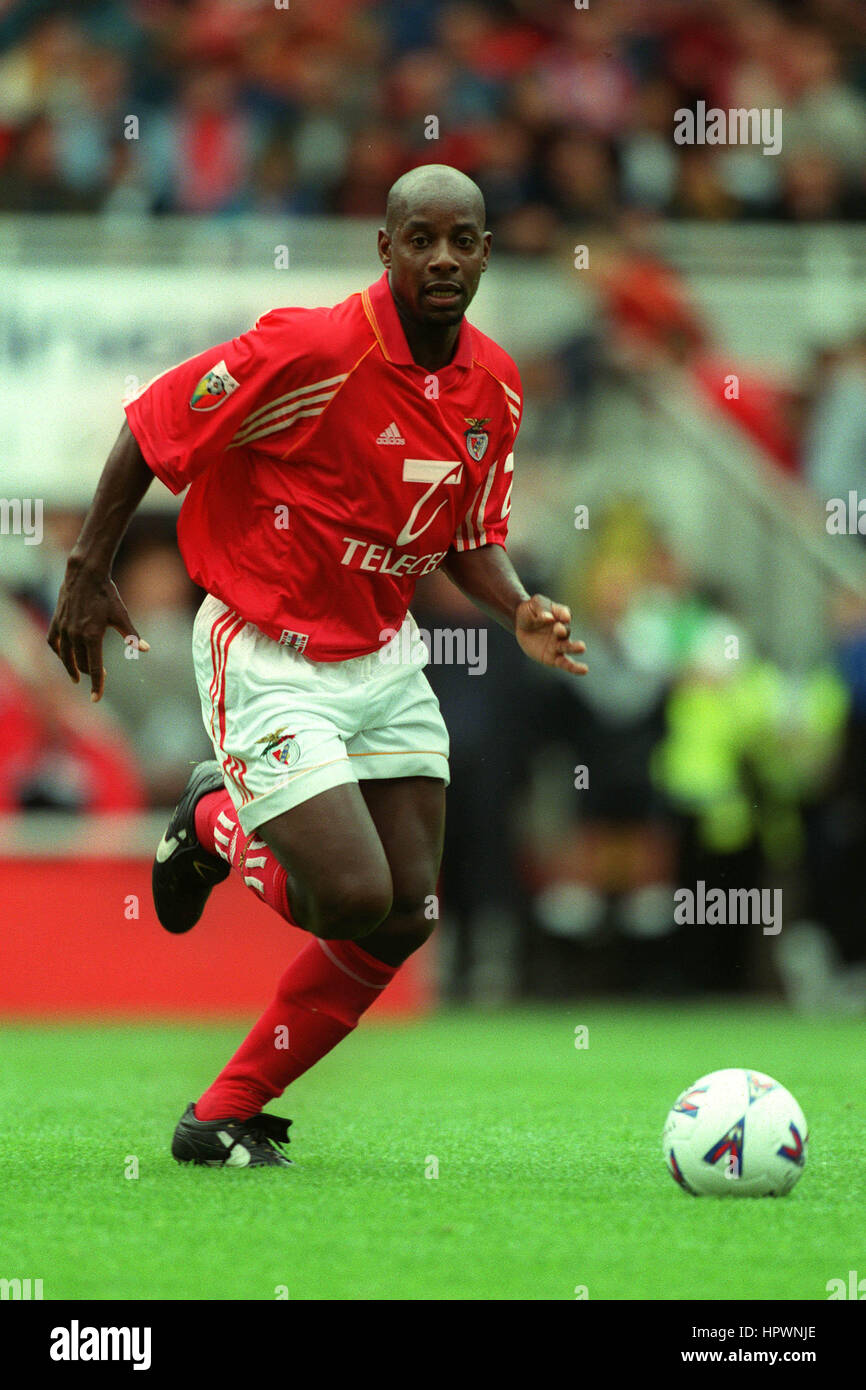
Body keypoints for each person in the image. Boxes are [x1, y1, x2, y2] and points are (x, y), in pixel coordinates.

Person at [47, 163, 588, 1168]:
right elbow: (155, 421)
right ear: (383, 249)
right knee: (347, 894)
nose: (439, 258)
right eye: (417, 238)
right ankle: (211, 818)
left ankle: (222, 1114)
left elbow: (465, 528)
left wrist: (516, 607)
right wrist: (88, 565)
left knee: (407, 911)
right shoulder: (315, 346)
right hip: (267, 647)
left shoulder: (495, 385)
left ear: (482, 252)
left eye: (459, 240)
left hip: (382, 653)